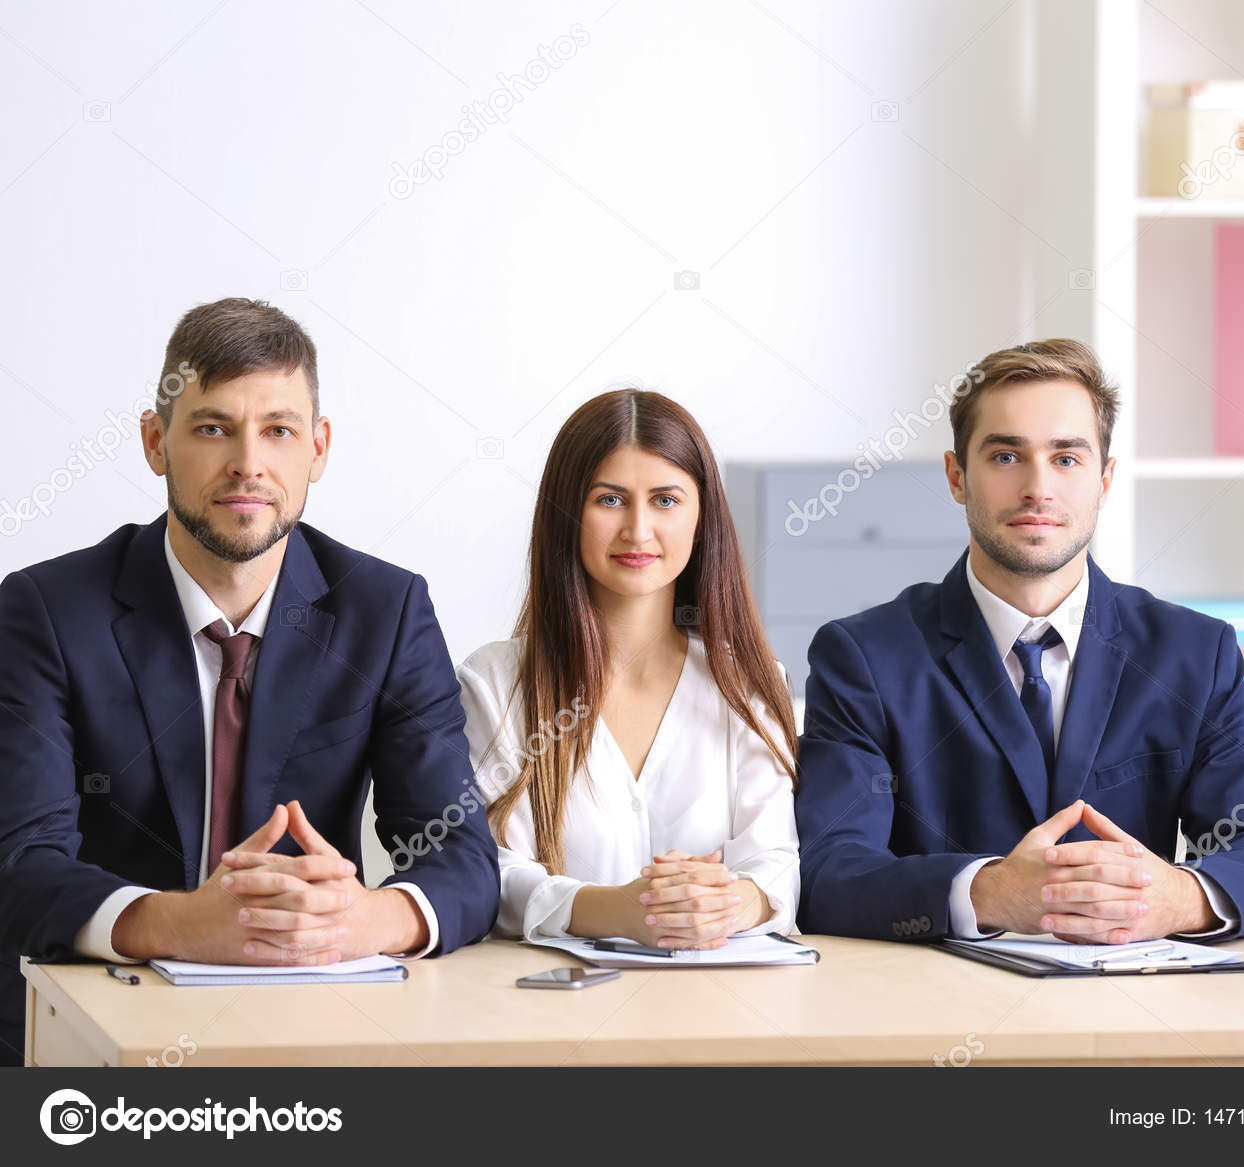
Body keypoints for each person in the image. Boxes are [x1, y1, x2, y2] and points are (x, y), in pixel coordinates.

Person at [0, 298, 498, 1065]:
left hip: (317, 1022)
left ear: (319, 449)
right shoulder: (45, 611)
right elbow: (20, 863)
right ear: (153, 441)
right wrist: (174, 922)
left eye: (278, 430)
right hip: (92, 1025)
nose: (248, 464)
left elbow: (462, 857)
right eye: (212, 427)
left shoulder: (386, 610)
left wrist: (361, 920)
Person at [796, 339, 1244, 943]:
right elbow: (828, 872)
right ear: (957, 477)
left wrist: (1176, 898)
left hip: (1131, 1007)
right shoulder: (864, 658)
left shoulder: (1194, 654)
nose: (1039, 488)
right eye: (1007, 457)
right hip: (935, 1009)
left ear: (1105, 478)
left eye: (1066, 459)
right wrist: (987, 891)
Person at [458, 389, 799, 950]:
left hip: (721, 1010)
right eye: (610, 500)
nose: (638, 531)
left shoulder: (750, 684)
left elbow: (777, 859)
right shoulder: (496, 683)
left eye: (666, 500)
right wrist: (616, 909)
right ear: (566, 512)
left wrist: (727, 902)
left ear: (701, 515)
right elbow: (490, 872)